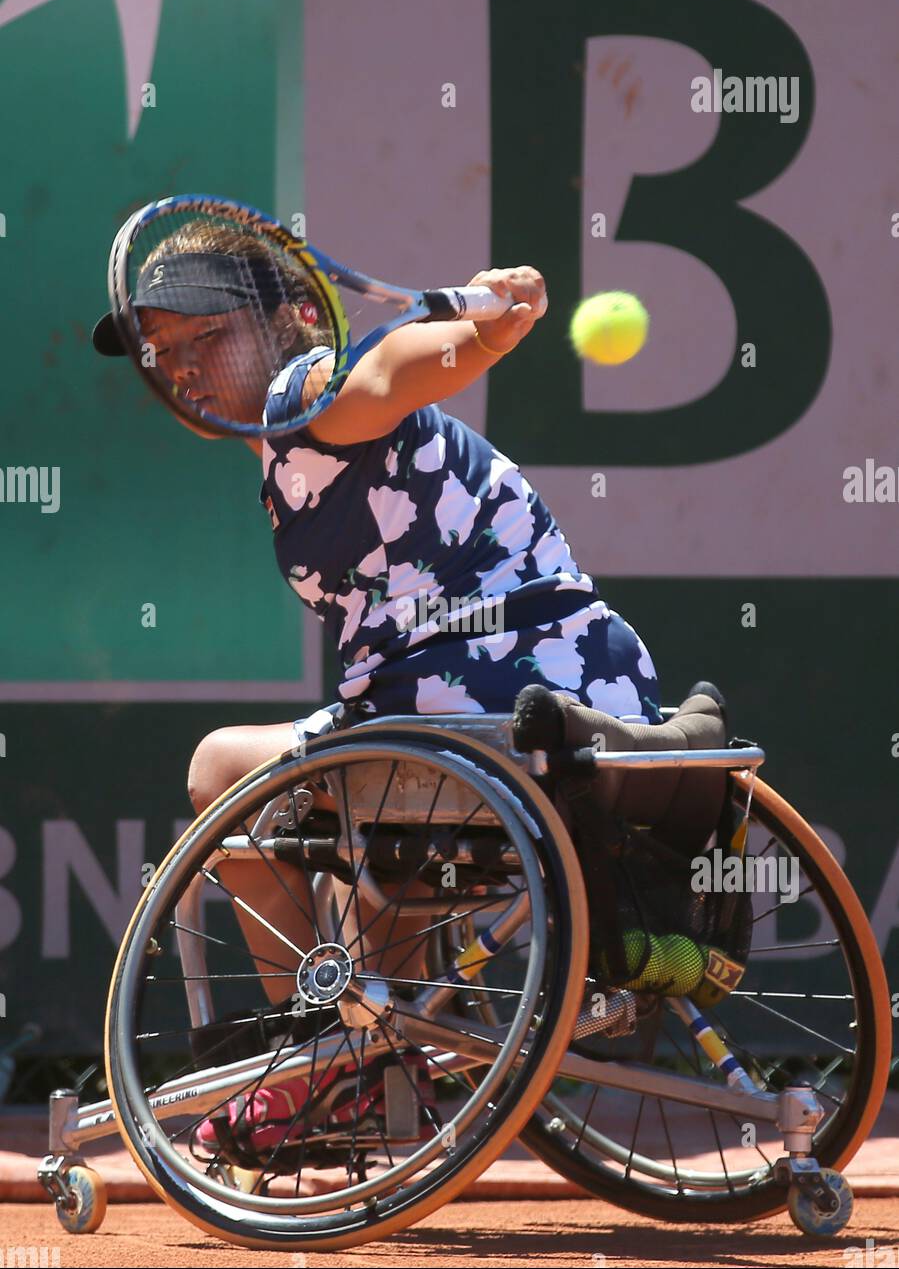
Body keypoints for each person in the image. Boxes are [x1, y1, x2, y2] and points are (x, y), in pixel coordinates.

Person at [92, 226, 662, 1159]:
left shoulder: (300, 394)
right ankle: (369, 1058)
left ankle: (326, 1058)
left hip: (481, 715)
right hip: (574, 700)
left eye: (205, 338)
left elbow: (383, 375)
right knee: (357, 811)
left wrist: (475, 338)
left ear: (297, 320)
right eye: (162, 353)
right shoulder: (286, 449)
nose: (179, 370)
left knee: (223, 769)